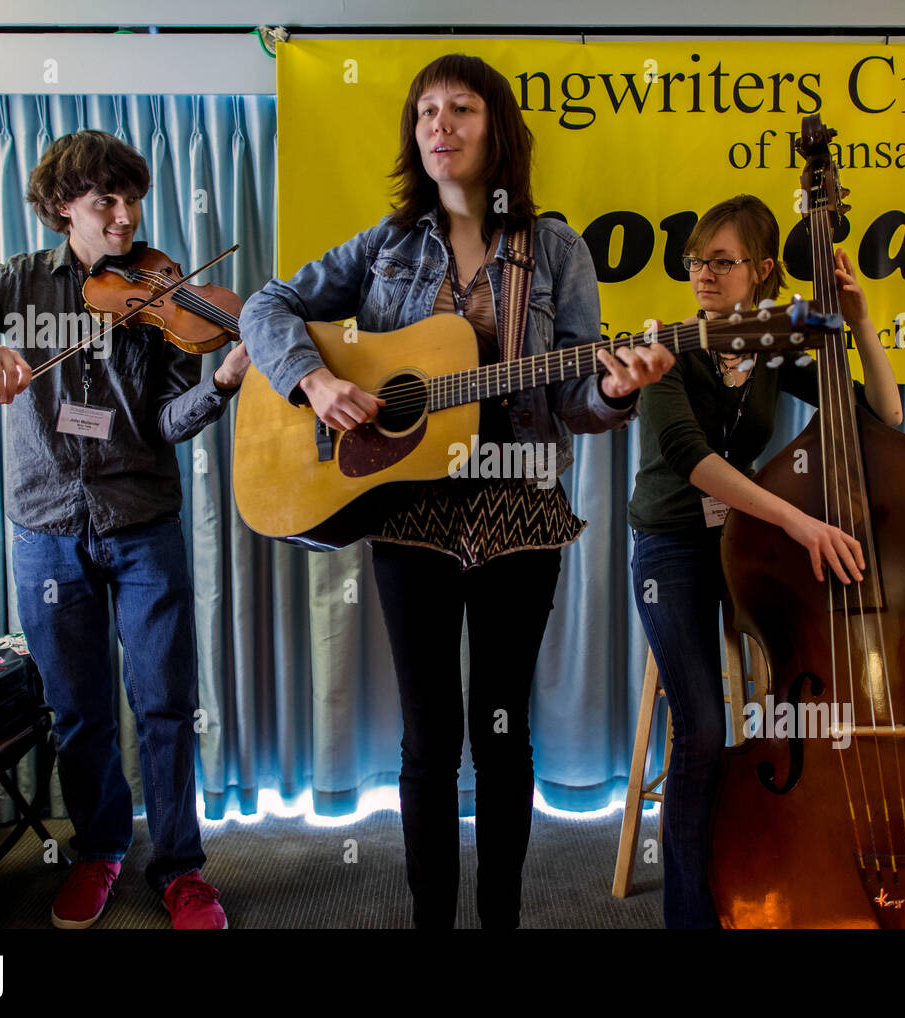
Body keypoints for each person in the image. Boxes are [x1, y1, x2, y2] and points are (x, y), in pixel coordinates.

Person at [240, 53, 673, 928]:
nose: (439, 124)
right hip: (411, 511)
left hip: (520, 510)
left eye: (461, 108)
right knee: (429, 739)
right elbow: (265, 306)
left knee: (504, 733)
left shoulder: (556, 249)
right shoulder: (388, 244)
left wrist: (616, 391)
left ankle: (502, 918)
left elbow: (575, 401)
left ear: (495, 128)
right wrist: (314, 384)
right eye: (426, 110)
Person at [0, 129, 251, 930]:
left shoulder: (164, 291)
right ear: (62, 210)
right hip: (45, 531)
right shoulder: (17, 282)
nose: (125, 217)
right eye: (104, 202)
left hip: (143, 524)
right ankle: (100, 851)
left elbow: (166, 423)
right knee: (77, 711)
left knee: (166, 704)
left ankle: (180, 867)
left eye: (132, 199)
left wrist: (220, 380)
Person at [627, 194, 903, 929]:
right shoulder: (668, 343)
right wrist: (801, 523)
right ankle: (692, 916)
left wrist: (860, 322)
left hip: (744, 540)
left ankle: (784, 875)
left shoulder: (776, 346)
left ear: (763, 269)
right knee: (705, 735)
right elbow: (692, 459)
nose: (704, 275)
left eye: (722, 261)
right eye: (696, 261)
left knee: (797, 710)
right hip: (672, 546)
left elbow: (881, 414)